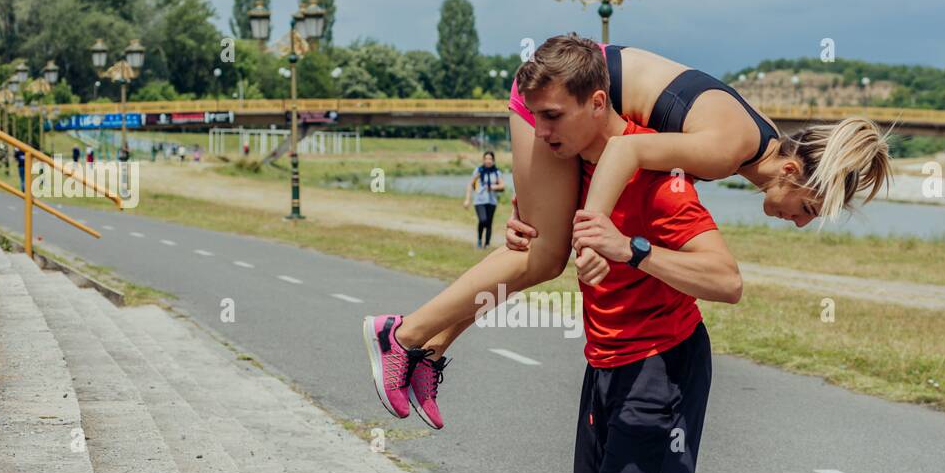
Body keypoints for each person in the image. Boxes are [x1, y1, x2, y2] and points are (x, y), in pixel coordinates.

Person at [363, 33, 891, 429]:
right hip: (565, 96)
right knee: (546, 255)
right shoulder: (726, 151)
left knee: (542, 248)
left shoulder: (760, 142)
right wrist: (589, 231)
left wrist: (548, 198)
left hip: (580, 107)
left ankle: (428, 351)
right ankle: (401, 334)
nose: (801, 221)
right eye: (808, 209)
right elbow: (625, 148)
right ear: (794, 173)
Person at [515, 47, 743, 473]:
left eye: (552, 116)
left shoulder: (651, 165)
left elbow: (726, 279)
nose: (541, 129)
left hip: (661, 361)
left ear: (595, 101)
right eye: (535, 115)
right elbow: (550, 239)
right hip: (608, 358)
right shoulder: (575, 162)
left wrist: (632, 248)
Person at [463, 150, 504, 248]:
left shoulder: (497, 172)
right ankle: (479, 240)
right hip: (479, 201)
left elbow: (502, 186)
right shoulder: (479, 171)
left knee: (489, 222)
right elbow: (470, 184)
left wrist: (493, 187)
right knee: (483, 220)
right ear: (483, 160)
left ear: (493, 160)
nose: (488, 161)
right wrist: (467, 199)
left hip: (492, 201)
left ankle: (487, 244)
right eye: (486, 158)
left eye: (490, 159)